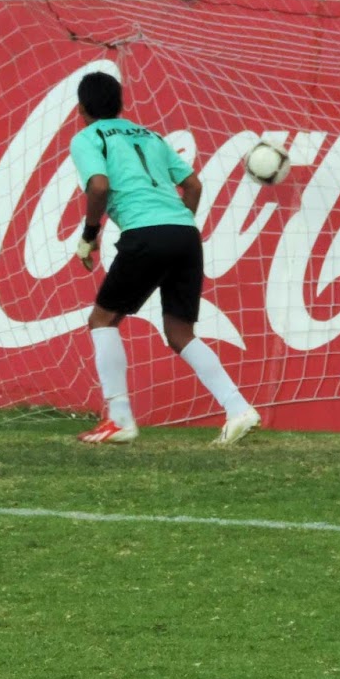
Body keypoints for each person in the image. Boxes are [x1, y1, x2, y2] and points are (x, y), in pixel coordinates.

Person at [69, 71, 259, 445]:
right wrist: (177, 225)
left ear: (81, 109)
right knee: (179, 331)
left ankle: (120, 419)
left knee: (102, 319)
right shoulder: (151, 135)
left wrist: (90, 235)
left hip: (145, 233)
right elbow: (193, 186)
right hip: (185, 233)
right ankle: (238, 408)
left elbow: (99, 186)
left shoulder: (87, 138)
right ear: (121, 105)